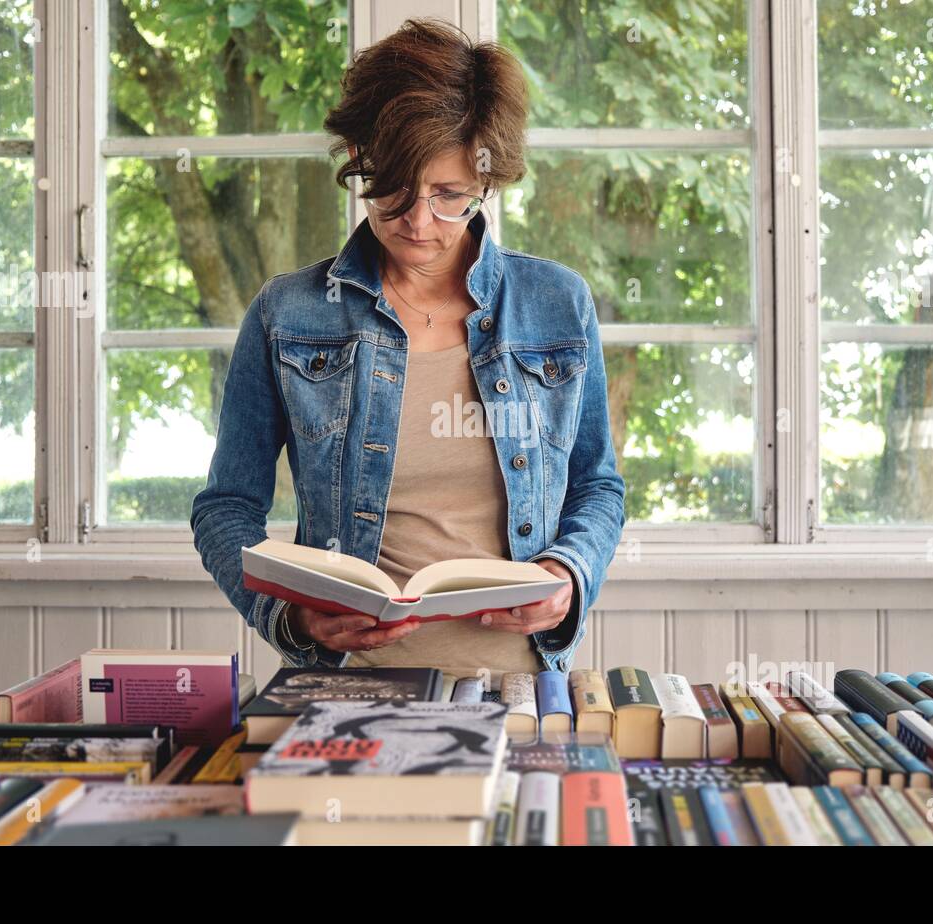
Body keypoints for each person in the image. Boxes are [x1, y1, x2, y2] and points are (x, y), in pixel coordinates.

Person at [191, 18, 625, 678]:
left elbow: (597, 488)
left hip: (522, 689)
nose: (418, 222)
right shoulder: (289, 314)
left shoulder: (556, 305)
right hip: (344, 690)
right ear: (361, 161)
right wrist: (291, 617)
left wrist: (569, 573)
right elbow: (225, 508)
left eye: (448, 196)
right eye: (393, 189)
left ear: (488, 183)